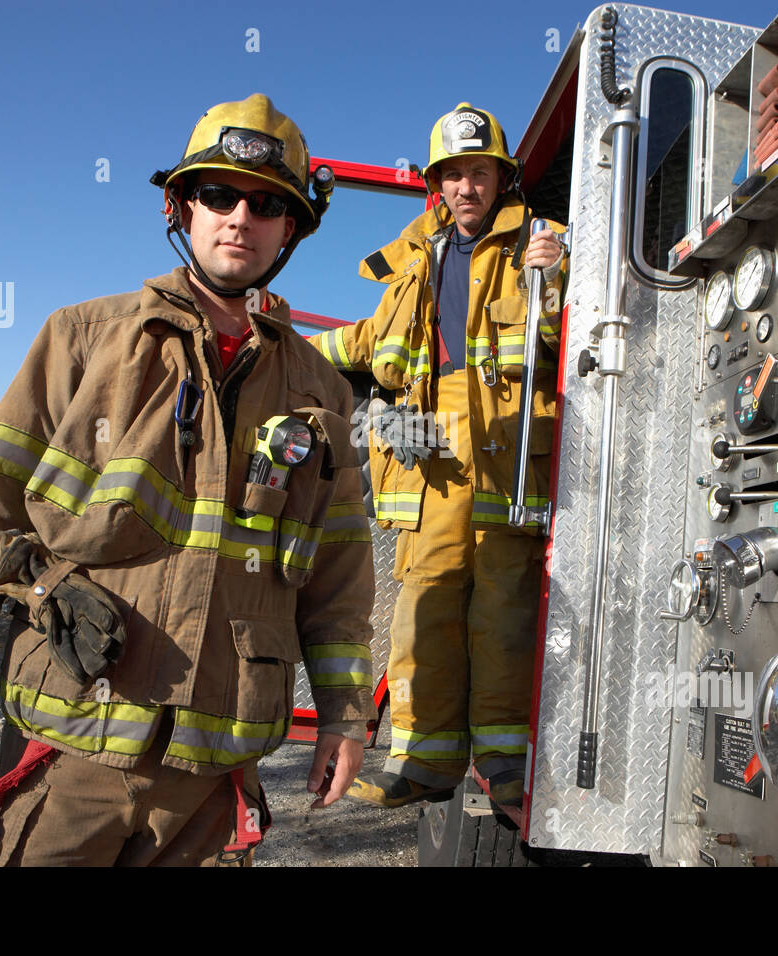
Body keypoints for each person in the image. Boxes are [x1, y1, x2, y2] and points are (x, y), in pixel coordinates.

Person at [0, 93, 376, 866]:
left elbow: (340, 576)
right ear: (180, 208)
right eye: (218, 195)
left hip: (211, 780)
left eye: (265, 203)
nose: (239, 217)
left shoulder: (323, 392)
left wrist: (348, 720)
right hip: (69, 746)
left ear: (291, 227)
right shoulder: (82, 341)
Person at [309, 103, 566, 808]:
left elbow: (591, 333)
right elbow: (367, 344)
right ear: (437, 184)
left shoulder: (545, 245)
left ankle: (506, 765)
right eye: (453, 175)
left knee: (504, 612)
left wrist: (565, 275)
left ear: (500, 178)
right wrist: (285, 342)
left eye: (478, 173)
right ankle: (423, 762)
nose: (466, 188)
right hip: (433, 455)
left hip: (507, 445)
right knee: (425, 608)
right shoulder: (414, 259)